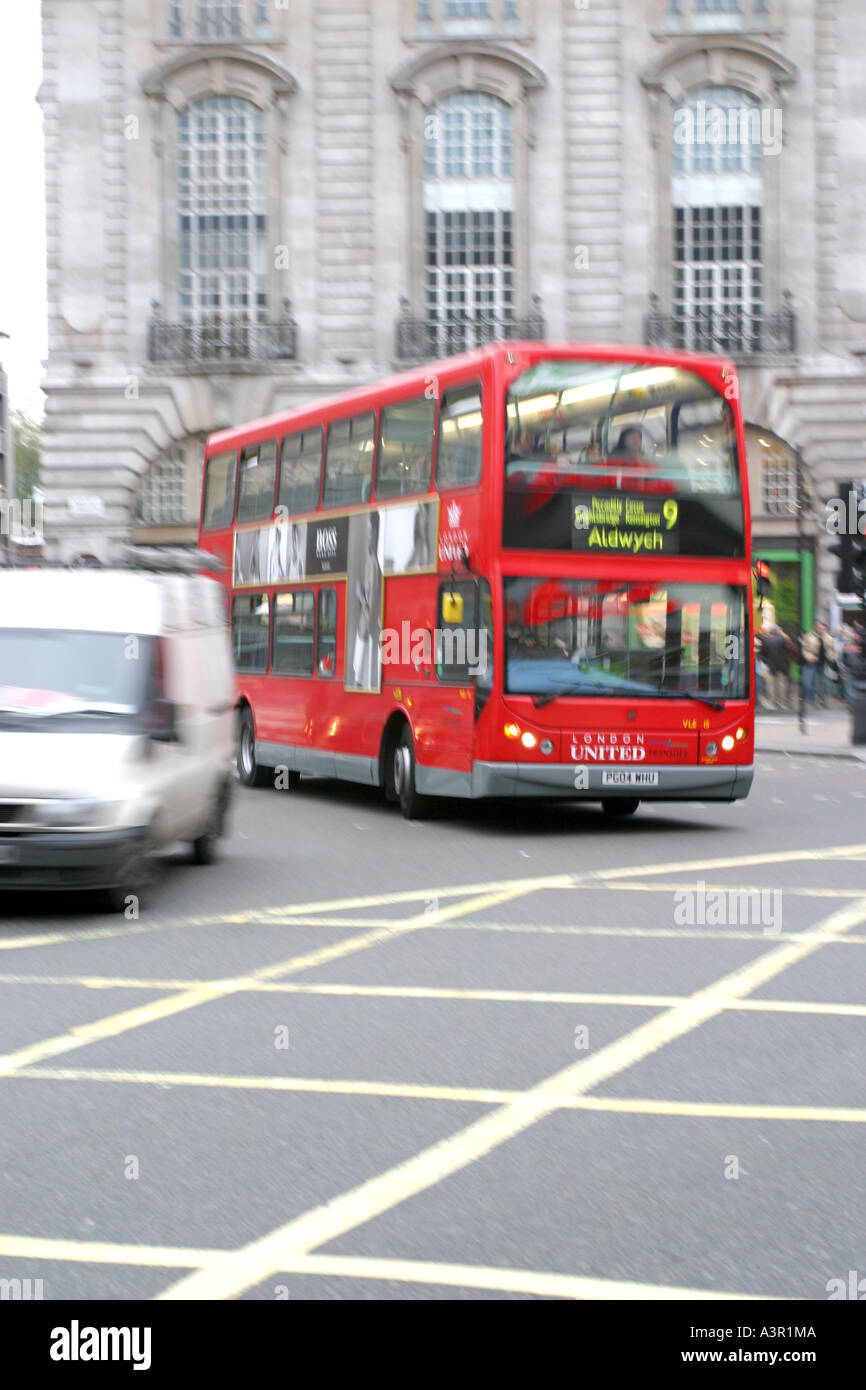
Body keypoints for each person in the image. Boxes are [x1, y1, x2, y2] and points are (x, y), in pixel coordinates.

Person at [352, 510, 381, 689]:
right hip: (364, 626)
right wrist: (360, 594)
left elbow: (372, 600)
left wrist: (363, 599)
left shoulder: (375, 565)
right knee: (358, 679)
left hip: (368, 628)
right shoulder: (368, 562)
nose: (369, 535)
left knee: (362, 681)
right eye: (368, 530)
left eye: (372, 531)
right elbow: (360, 586)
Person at [801, 626, 821, 705]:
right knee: (810, 681)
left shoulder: (809, 640)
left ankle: (808, 697)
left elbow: (811, 650)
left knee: (807, 681)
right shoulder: (813, 639)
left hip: (809, 661)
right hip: (810, 661)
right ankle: (810, 698)